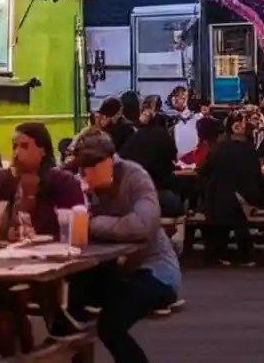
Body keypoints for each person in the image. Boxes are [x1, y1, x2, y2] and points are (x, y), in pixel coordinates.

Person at [69, 130, 181, 363]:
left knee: (110, 326)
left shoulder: (134, 176)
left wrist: (91, 223)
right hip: (109, 268)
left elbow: (143, 224)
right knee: (69, 312)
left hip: (155, 270)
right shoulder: (76, 181)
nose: (83, 172)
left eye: (88, 165)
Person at [0, 122, 85, 241]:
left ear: (43, 151)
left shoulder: (63, 183)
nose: (17, 153)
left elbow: (76, 229)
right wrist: (3, 232)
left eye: (24, 146)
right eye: (14, 146)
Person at [198, 109, 264, 266]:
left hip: (218, 204)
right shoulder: (250, 151)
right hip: (245, 202)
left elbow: (202, 172)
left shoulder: (217, 149)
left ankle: (217, 253)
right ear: (236, 127)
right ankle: (245, 254)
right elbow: (257, 177)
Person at [118, 97, 183, 217]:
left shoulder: (134, 138)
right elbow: (173, 159)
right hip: (158, 193)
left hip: (133, 196)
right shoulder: (164, 137)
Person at [165, 86, 200, 158]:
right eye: (175, 97)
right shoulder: (171, 121)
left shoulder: (196, 119)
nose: (175, 99)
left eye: (182, 97)